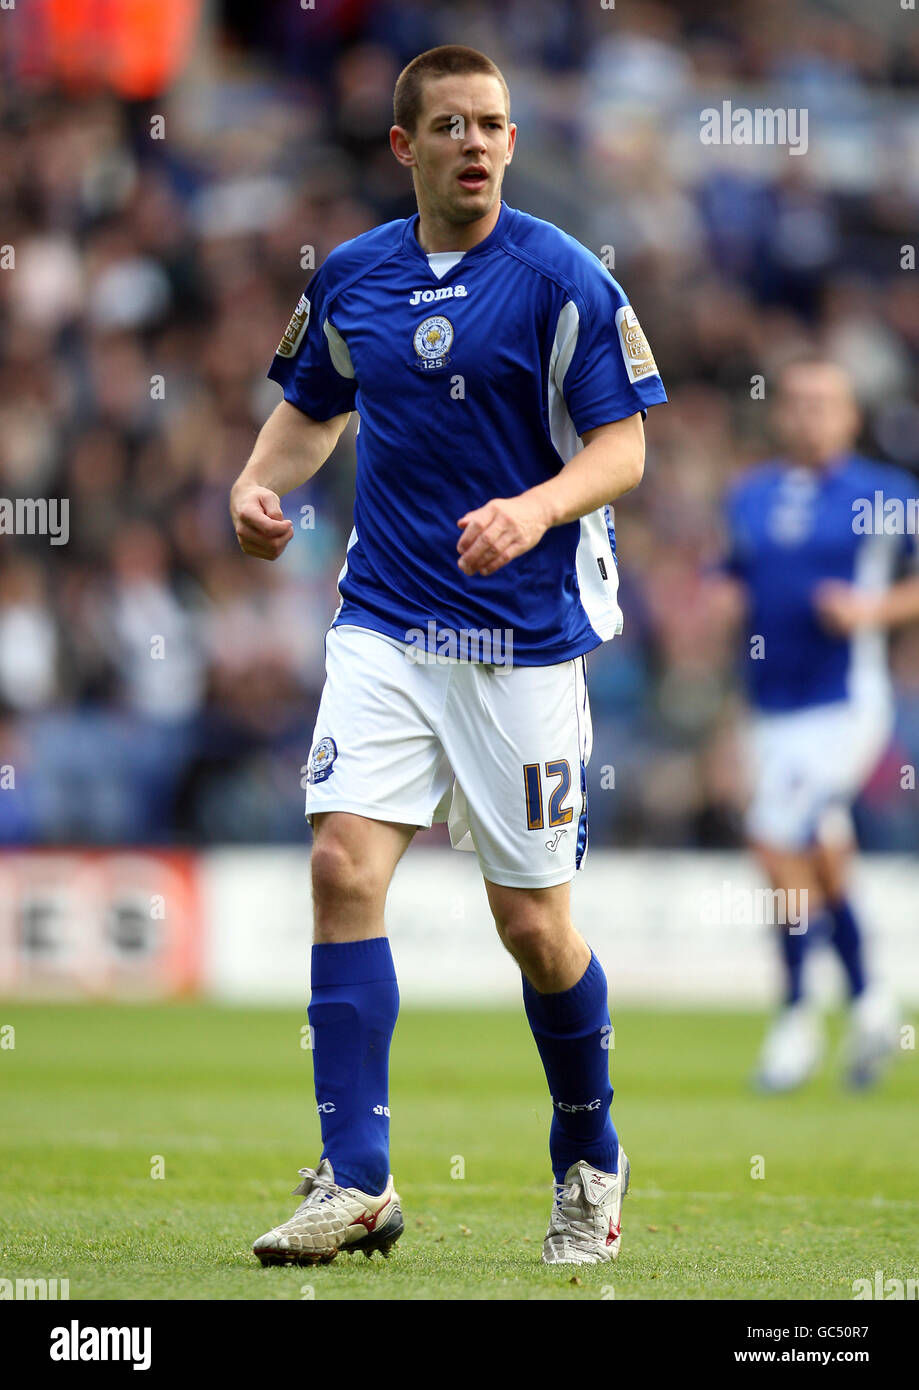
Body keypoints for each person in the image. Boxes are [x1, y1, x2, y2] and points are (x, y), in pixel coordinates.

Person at [230, 45, 666, 1267]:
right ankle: (355, 1180)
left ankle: (588, 1155)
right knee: (340, 861)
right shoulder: (354, 276)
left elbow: (623, 449)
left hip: (521, 639)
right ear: (403, 145)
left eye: (494, 125)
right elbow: (312, 409)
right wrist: (254, 493)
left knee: (533, 927)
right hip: (384, 620)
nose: (476, 142)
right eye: (452, 126)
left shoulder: (559, 275)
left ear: (513, 145)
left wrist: (536, 508)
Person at [717, 356, 919, 1091]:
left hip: (844, 702)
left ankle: (797, 1016)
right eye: (794, 401)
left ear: (849, 415)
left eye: (821, 402)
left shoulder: (883, 493)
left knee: (775, 842)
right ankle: (871, 1003)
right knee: (820, 852)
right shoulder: (750, 494)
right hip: (768, 708)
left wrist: (871, 610)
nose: (805, 413)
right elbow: (733, 581)